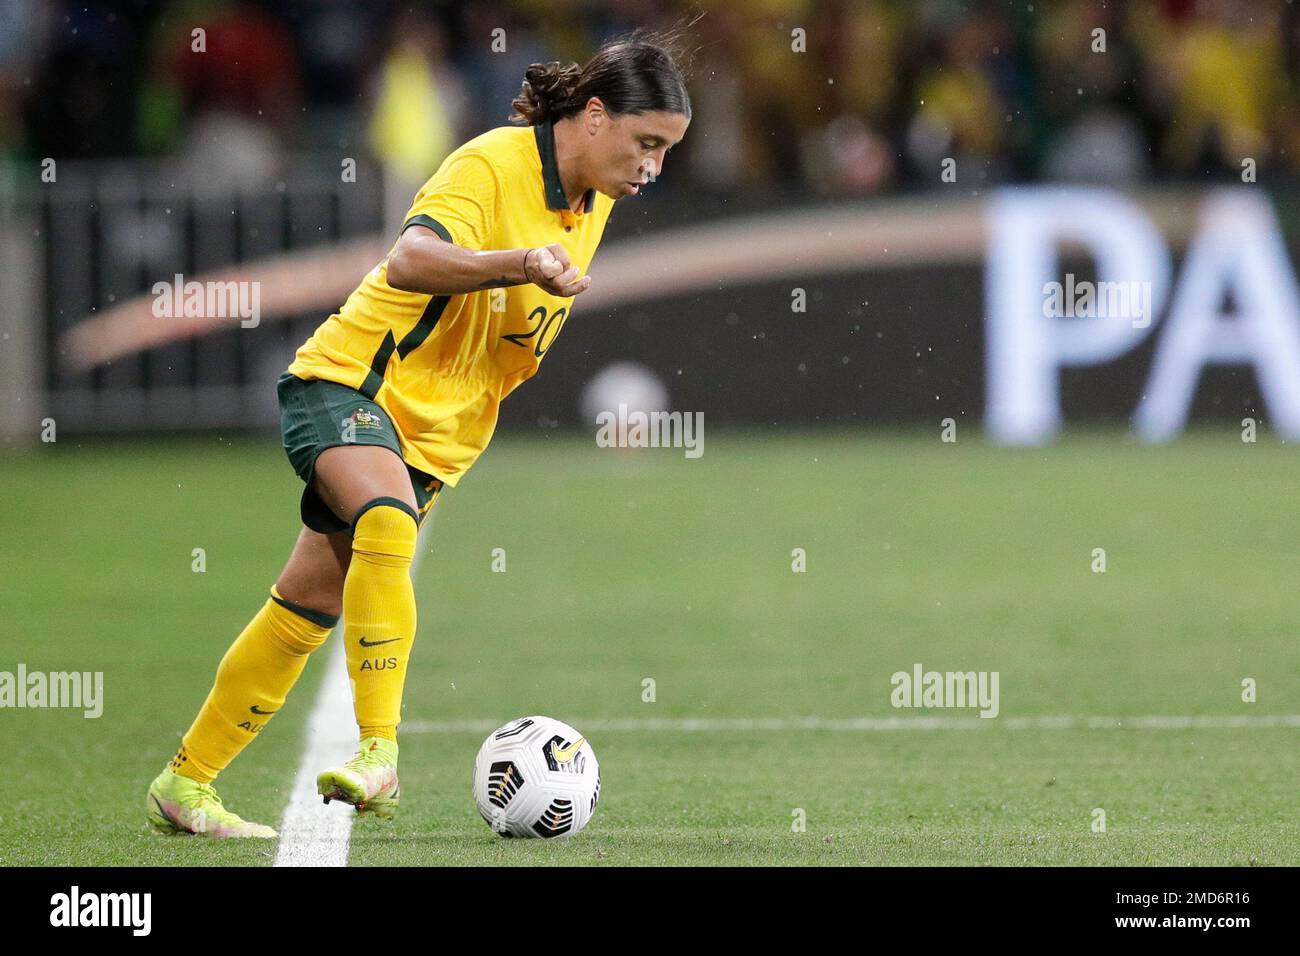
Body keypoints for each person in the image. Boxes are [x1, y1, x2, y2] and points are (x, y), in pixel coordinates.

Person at [145, 29, 692, 836]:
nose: (652, 167)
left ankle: (185, 783)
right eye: (646, 143)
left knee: (304, 606)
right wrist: (518, 263)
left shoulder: (596, 200)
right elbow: (408, 263)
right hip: (352, 380)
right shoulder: (492, 163)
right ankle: (378, 751)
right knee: (386, 520)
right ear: (596, 116)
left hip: (436, 435)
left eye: (667, 152)